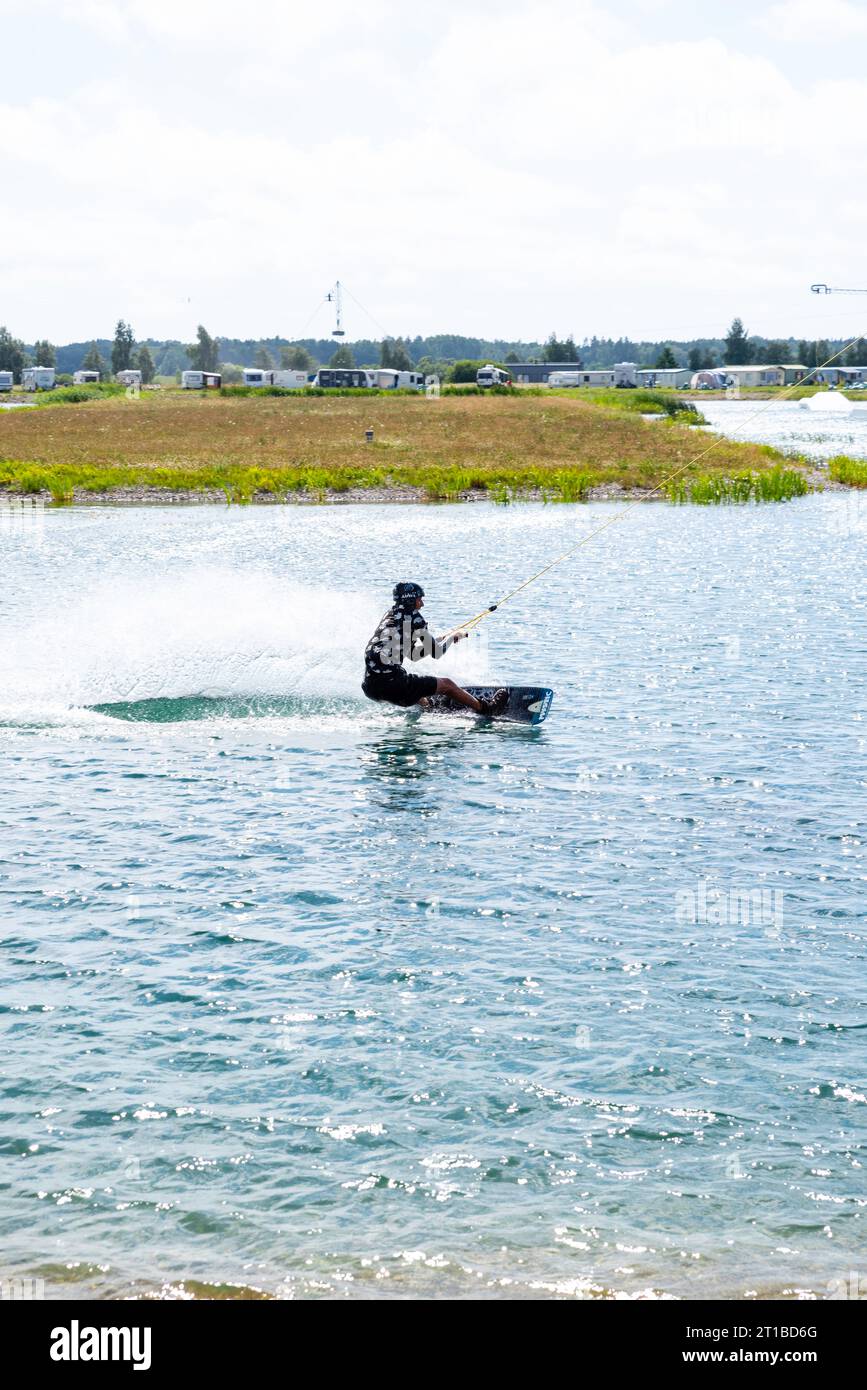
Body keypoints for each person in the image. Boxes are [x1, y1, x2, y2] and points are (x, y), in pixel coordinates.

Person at [362, 582, 507, 715]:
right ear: (411, 600)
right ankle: (486, 708)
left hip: (371, 688)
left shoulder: (390, 615)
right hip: (393, 685)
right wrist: (452, 638)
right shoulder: (415, 618)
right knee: (447, 685)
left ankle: (428, 706)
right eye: (420, 599)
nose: (422, 604)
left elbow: (413, 654)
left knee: (407, 680)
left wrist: (442, 638)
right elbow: (437, 653)